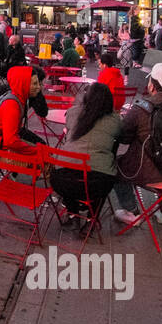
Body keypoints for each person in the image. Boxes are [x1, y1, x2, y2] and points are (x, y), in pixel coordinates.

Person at [112, 62, 162, 228]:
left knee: (115, 167)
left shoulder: (140, 109)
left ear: (152, 86)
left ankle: (131, 211)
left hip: (149, 173)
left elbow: (124, 138)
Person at [50, 82, 122, 234]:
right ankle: (91, 220)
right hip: (96, 184)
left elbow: (69, 131)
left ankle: (72, 214)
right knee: (107, 170)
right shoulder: (115, 120)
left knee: (72, 169)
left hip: (61, 180)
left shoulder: (73, 112)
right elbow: (120, 136)